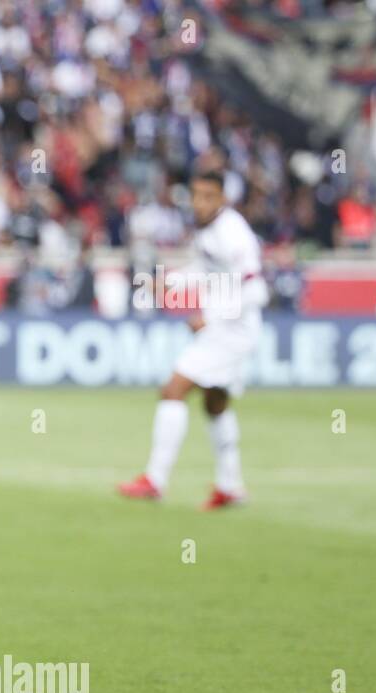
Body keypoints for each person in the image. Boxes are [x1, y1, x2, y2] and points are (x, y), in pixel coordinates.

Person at [118, 170, 267, 509]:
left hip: (234, 330)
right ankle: (230, 486)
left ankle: (155, 480)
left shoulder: (233, 233)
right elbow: (204, 270)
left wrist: (210, 317)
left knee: (173, 389)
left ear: (223, 199)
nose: (200, 203)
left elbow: (255, 289)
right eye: (196, 195)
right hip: (226, 328)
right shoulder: (207, 230)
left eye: (208, 196)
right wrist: (168, 283)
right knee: (215, 403)